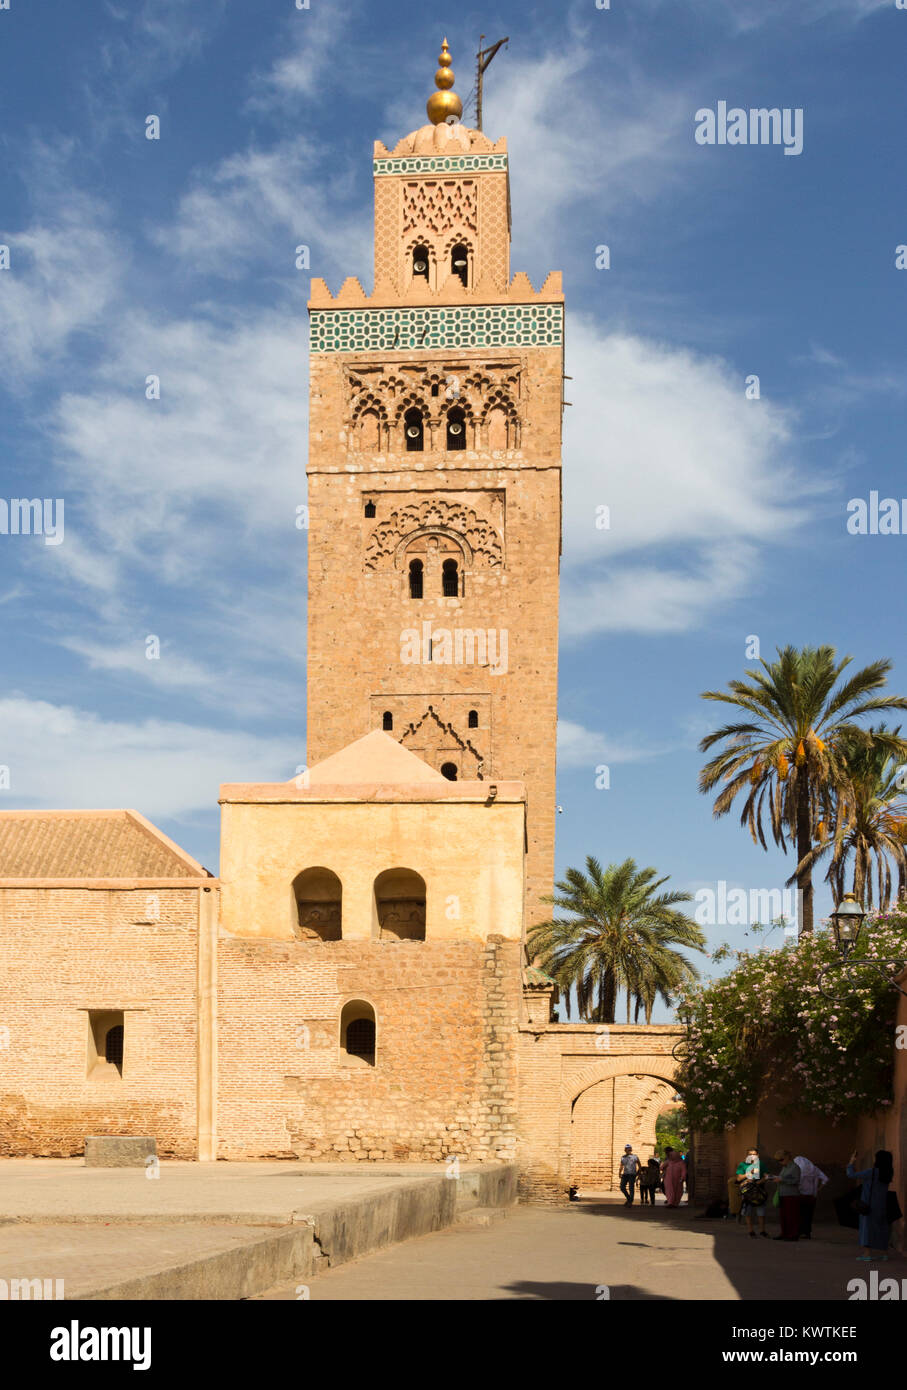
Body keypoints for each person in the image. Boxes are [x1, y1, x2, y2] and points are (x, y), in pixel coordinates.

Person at [846, 1149, 894, 1261]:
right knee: (881, 1228)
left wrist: (851, 1162)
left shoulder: (871, 1172)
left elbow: (850, 1175)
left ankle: (867, 1254)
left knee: (866, 1229)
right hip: (882, 1205)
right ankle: (884, 1253)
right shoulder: (888, 1173)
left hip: (868, 1205)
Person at [794, 1154, 829, 1239]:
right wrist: (818, 1189)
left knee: (799, 1215)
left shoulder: (799, 1170)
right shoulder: (815, 1169)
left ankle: (799, 1232)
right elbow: (826, 1179)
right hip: (812, 1196)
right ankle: (807, 1233)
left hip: (800, 1196)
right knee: (809, 1215)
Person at [771, 1149, 801, 1241]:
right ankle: (784, 1233)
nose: (780, 1162)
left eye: (781, 1160)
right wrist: (774, 1177)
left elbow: (795, 1180)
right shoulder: (785, 1167)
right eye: (778, 1160)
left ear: (787, 1157)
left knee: (791, 1216)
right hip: (782, 1194)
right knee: (784, 1216)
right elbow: (783, 1177)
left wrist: (781, 1180)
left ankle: (793, 1235)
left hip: (791, 1195)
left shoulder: (795, 1167)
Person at [739, 1148, 769, 1239]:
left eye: (754, 1154)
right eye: (750, 1154)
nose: (752, 1156)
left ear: (758, 1155)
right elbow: (739, 1178)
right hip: (747, 1192)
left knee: (761, 1212)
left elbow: (766, 1176)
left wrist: (757, 1183)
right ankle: (751, 1231)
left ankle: (762, 1231)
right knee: (748, 1212)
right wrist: (749, 1173)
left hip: (759, 1191)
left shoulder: (761, 1164)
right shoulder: (743, 1165)